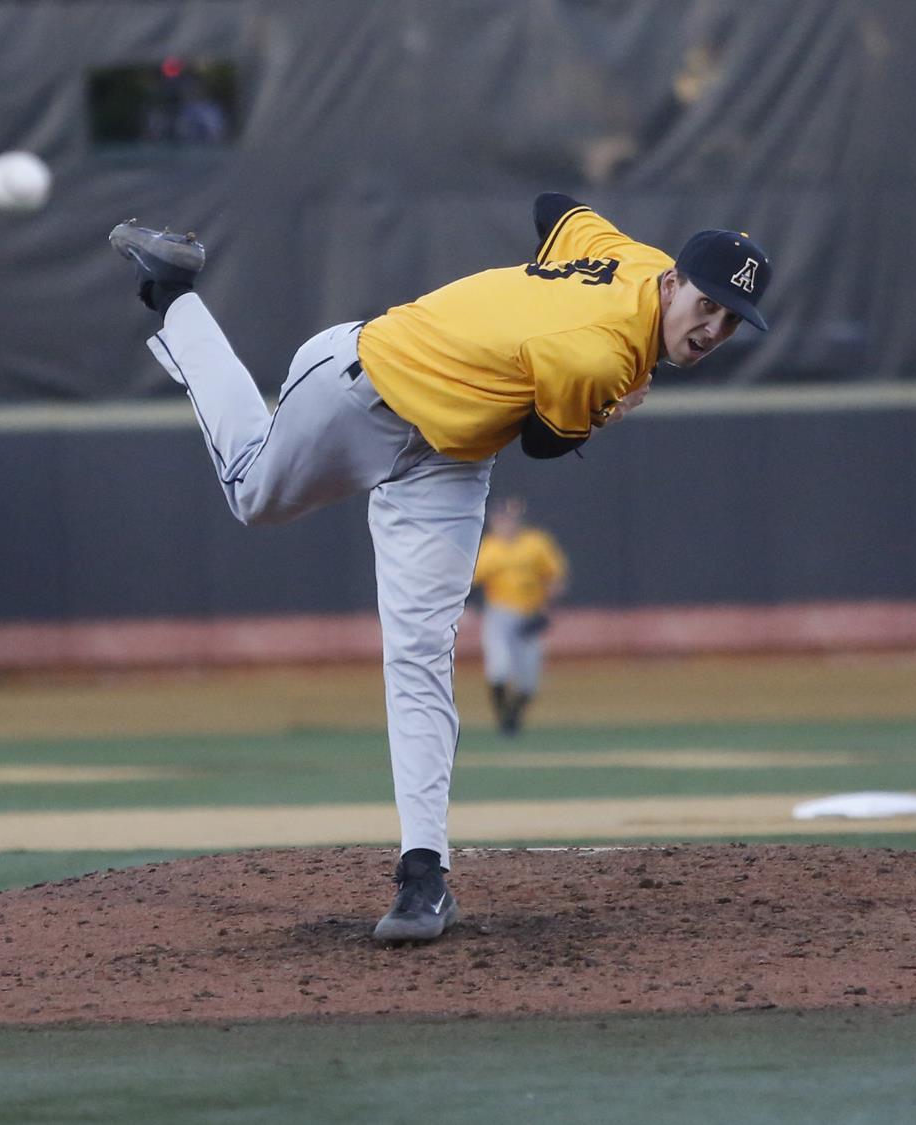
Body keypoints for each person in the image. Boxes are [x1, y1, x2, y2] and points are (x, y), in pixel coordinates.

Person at [109, 193, 771, 943]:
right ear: (677, 281)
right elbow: (546, 445)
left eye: (731, 320)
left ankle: (423, 878)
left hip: (451, 460)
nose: (713, 328)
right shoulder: (602, 352)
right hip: (365, 387)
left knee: (421, 652)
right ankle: (174, 295)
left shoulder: (630, 258)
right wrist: (609, 401)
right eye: (708, 304)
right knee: (253, 493)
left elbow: (556, 207)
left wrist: (540, 289)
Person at [471, 496, 568, 736]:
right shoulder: (488, 548)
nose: (507, 523)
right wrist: (469, 608)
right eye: (503, 517)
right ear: (494, 520)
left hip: (529, 616)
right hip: (500, 615)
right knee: (499, 669)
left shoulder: (535, 543)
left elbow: (555, 579)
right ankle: (505, 720)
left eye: (511, 518)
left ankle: (512, 716)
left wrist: (547, 609)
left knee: (528, 682)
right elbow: (469, 583)